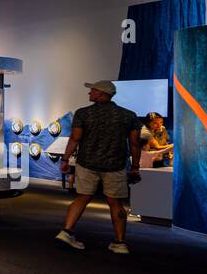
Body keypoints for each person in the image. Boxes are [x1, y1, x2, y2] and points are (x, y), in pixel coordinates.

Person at [54, 80, 142, 254]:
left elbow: (75, 138)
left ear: (101, 94)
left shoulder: (83, 113)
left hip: (87, 163)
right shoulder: (129, 116)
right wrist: (135, 167)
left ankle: (67, 231)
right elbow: (134, 145)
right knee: (116, 204)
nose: (89, 94)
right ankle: (120, 243)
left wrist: (65, 160)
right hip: (115, 166)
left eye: (92, 91)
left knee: (81, 198)